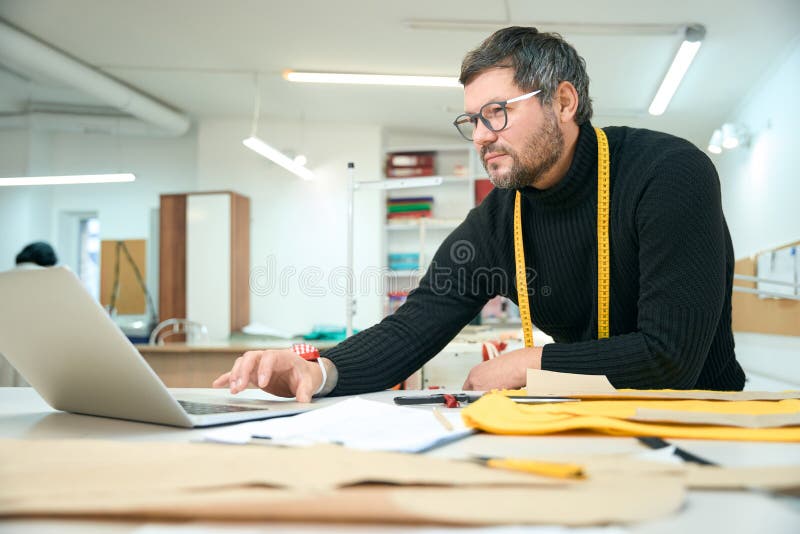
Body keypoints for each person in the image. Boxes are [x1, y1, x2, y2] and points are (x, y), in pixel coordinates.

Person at [213, 26, 745, 402]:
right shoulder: (498, 222)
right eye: (474, 120)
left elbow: (670, 357)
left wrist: (525, 363)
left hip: (701, 424)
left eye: (498, 112)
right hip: (593, 420)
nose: (483, 135)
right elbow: (411, 329)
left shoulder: (670, 174)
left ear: (563, 102)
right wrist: (318, 370)